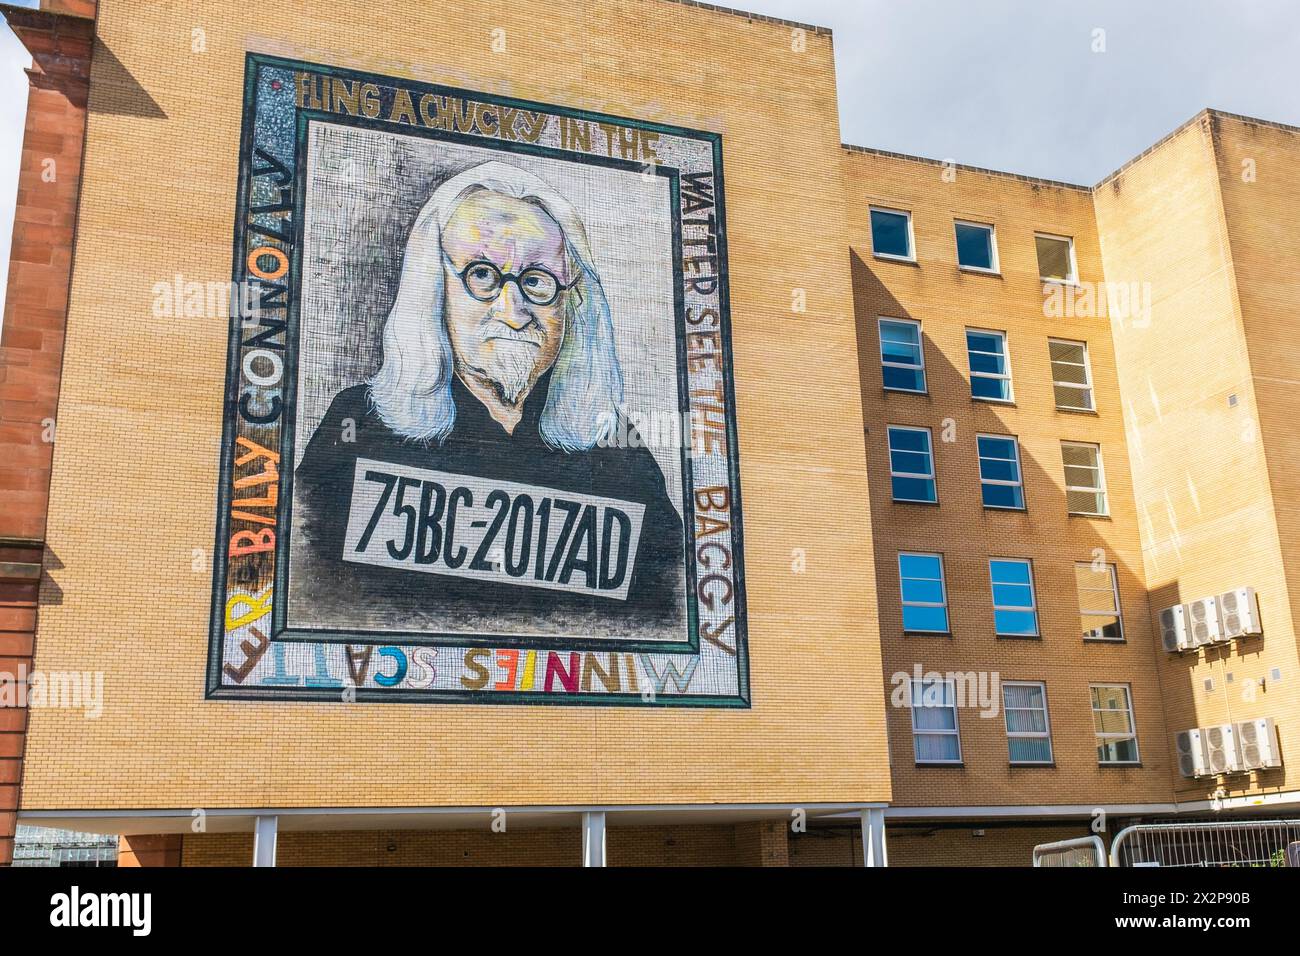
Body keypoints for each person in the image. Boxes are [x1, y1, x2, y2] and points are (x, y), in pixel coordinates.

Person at [291, 161, 685, 636]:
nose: (514, 311)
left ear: (572, 303)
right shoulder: (360, 424)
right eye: (482, 275)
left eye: (538, 281)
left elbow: (665, 608)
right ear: (433, 287)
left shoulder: (614, 445)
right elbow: (309, 589)